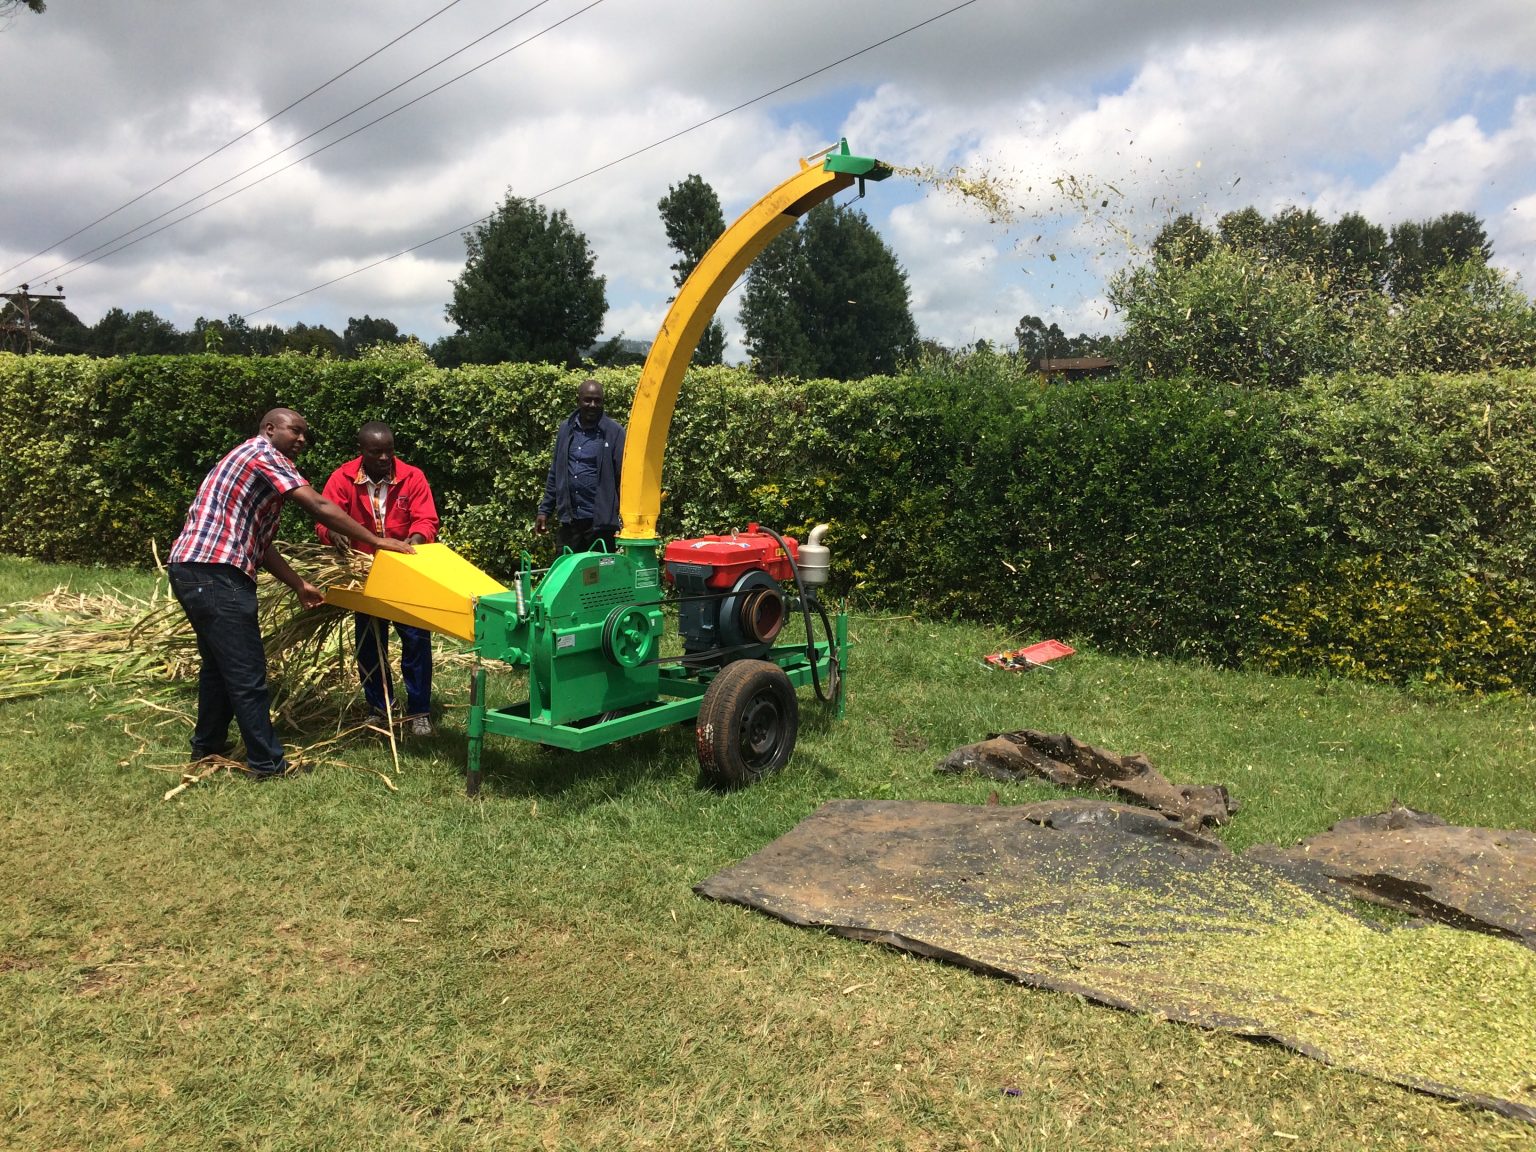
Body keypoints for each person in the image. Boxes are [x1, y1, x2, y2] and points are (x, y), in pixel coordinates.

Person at [167, 408, 414, 779]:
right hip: (216, 573)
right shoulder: (263, 455)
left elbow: (261, 545)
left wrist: (298, 584)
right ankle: (266, 764)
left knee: (219, 668)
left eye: (304, 434)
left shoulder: (254, 466)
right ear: (269, 429)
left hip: (195, 571)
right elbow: (318, 505)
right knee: (247, 673)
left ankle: (207, 748)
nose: (301, 439)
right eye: (294, 431)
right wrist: (378, 540)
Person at [315, 420, 440, 736]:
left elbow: (427, 520)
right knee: (370, 643)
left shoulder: (412, 477)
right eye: (376, 452)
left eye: (389, 451)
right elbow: (324, 519)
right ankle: (380, 707)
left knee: (415, 640)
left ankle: (419, 711)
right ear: (362, 452)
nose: (385, 458)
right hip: (364, 575)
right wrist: (331, 534)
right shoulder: (343, 478)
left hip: (405, 574)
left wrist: (416, 539)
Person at [535, 377, 626, 553]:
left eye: (597, 400)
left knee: (600, 577)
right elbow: (556, 472)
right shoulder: (566, 429)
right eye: (587, 400)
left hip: (600, 524)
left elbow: (622, 478)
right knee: (566, 573)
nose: (592, 405)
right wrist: (544, 511)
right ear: (578, 400)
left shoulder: (614, 432)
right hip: (571, 522)